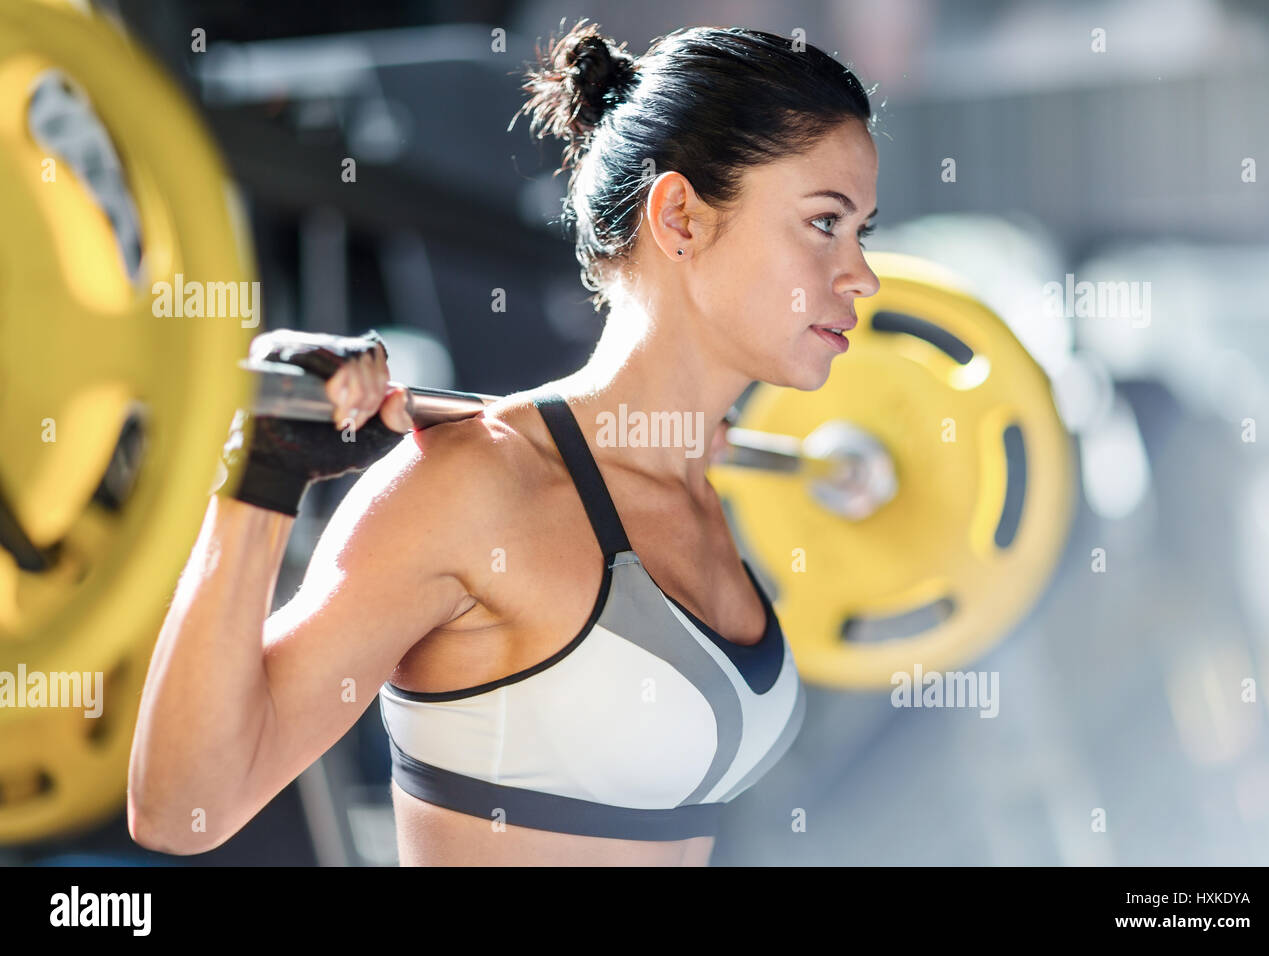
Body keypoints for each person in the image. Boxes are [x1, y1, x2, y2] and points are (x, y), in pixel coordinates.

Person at [127, 19, 880, 867]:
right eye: (825, 223)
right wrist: (260, 476)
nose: (863, 275)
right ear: (679, 218)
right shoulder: (473, 487)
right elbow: (180, 809)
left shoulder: (702, 484)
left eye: (865, 232)